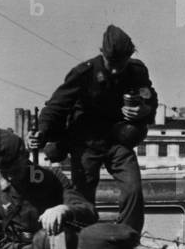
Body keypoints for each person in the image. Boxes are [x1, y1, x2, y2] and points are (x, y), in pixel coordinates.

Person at [29, 24, 157, 233]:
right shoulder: (84, 73)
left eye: (121, 64)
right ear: (102, 54)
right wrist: (42, 131)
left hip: (118, 142)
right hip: (86, 143)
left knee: (133, 189)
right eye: (111, 63)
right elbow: (57, 105)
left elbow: (150, 96)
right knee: (82, 199)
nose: (115, 70)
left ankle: (126, 241)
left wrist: (145, 110)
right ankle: (83, 248)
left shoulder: (136, 71)